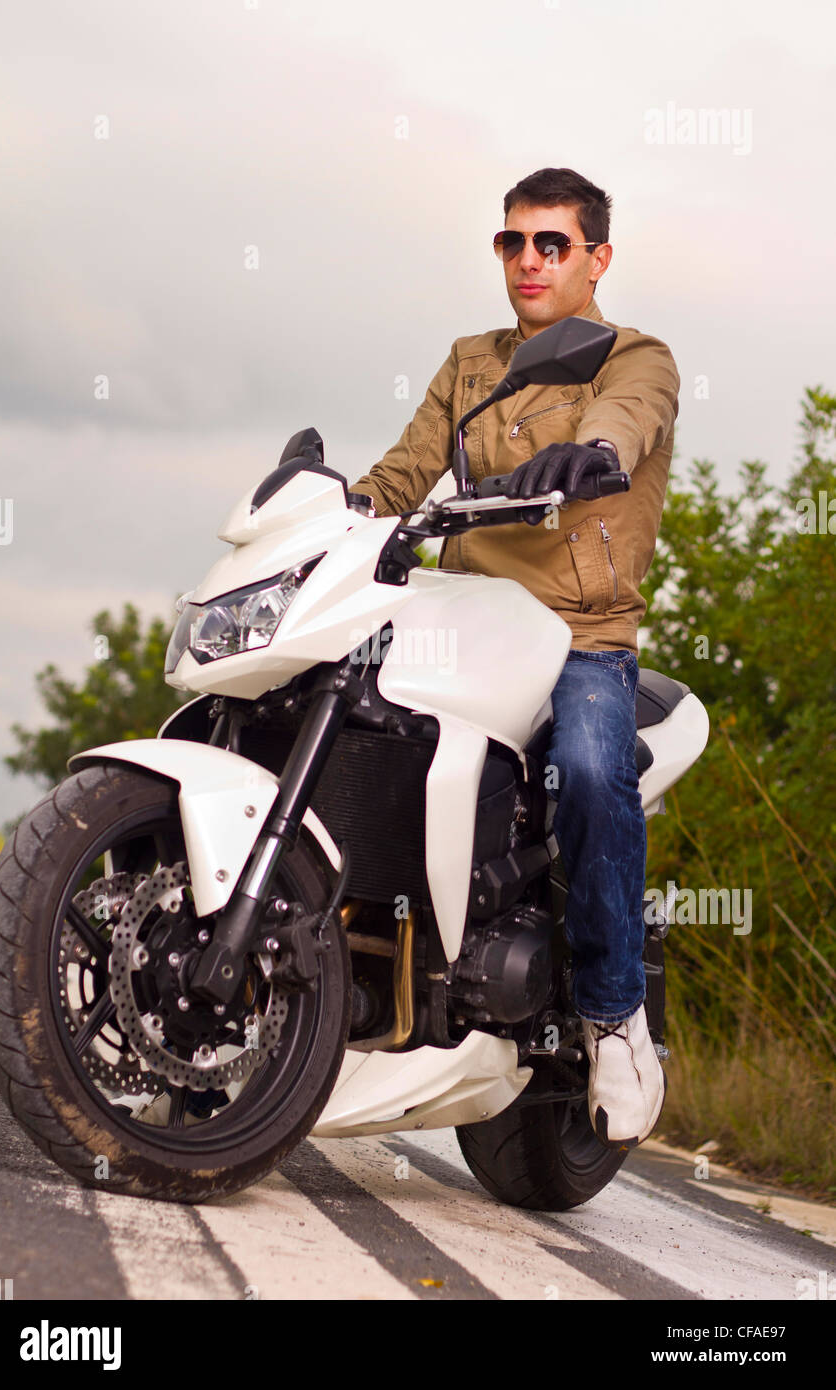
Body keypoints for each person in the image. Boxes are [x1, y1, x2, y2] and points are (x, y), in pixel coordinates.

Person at [350, 166, 679, 1148]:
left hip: (578, 639)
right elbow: (406, 469)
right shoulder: (470, 359)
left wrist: (586, 456)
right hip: (460, 618)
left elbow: (618, 423)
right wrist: (333, 508)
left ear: (595, 258)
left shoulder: (637, 356)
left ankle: (616, 1018)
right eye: (512, 242)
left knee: (586, 766)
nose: (528, 260)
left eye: (551, 244)